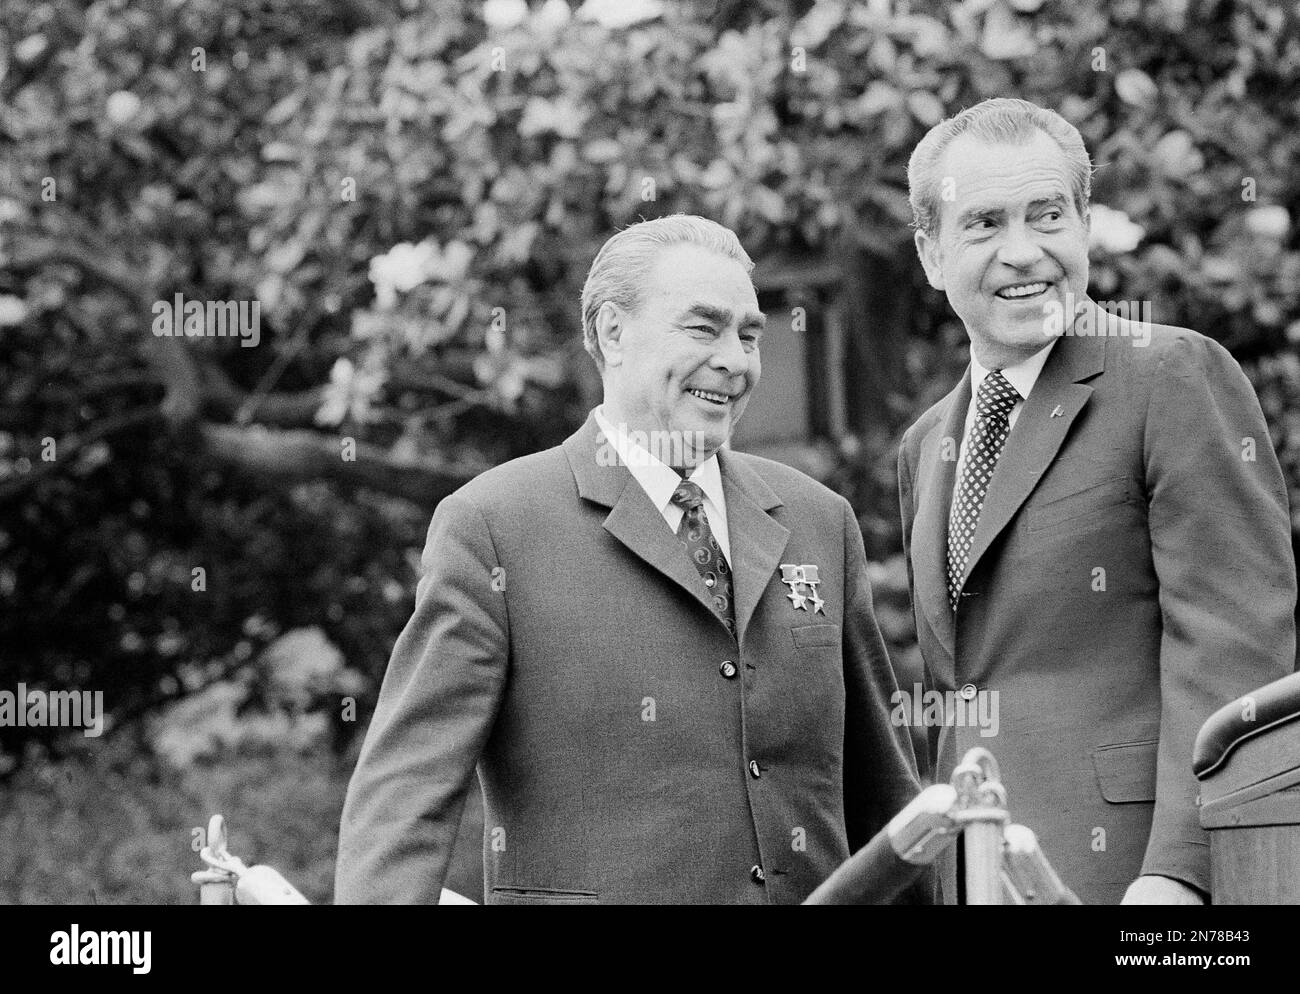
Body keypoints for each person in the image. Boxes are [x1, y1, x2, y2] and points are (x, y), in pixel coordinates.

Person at [336, 214, 927, 904]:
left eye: (749, 334)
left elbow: (887, 800)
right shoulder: (494, 527)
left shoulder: (820, 520)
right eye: (703, 328)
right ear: (613, 333)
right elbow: (407, 794)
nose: (735, 361)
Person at [898, 97, 1296, 904]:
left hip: (1133, 883)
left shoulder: (1170, 374)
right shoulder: (924, 446)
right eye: (982, 224)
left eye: (1047, 215)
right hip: (975, 879)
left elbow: (1234, 645)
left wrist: (1181, 873)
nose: (1023, 252)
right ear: (931, 253)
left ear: (1084, 223)